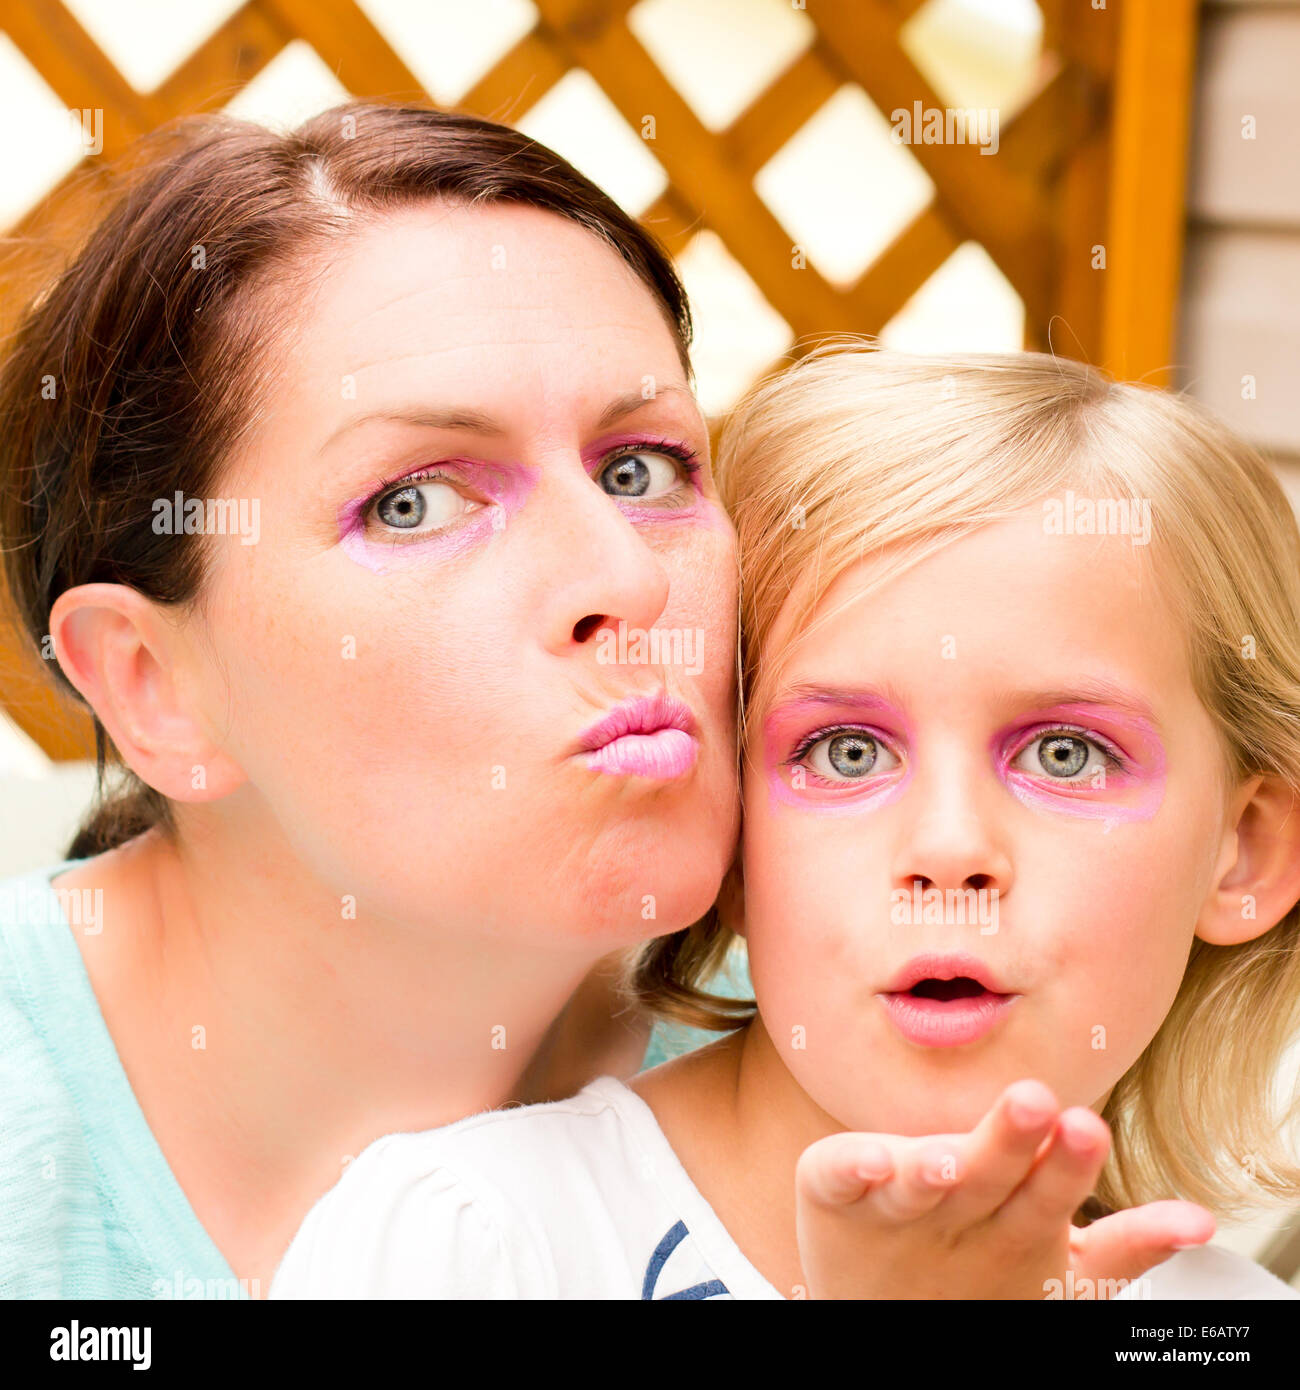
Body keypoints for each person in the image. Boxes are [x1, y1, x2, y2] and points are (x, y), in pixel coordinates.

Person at [268, 345, 1300, 1299]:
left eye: (1063, 754)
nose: (948, 849)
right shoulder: (470, 1244)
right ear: (721, 828)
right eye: (845, 751)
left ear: (1242, 851)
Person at [0, 102, 741, 1297]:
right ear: (154, 686)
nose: (625, 576)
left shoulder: (863, 1055)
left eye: (639, 468)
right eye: (415, 501)